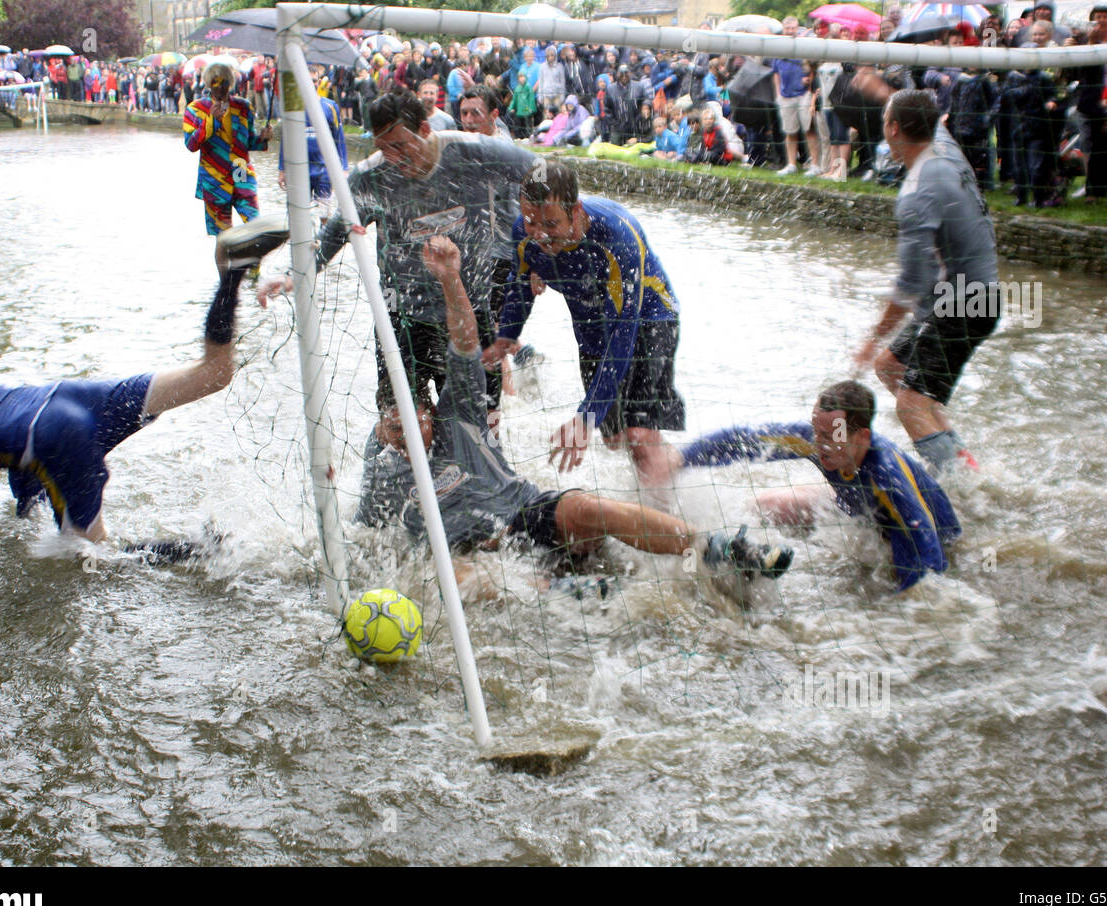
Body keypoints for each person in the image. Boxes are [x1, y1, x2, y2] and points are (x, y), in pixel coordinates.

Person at [358, 235, 793, 589]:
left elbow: (466, 342)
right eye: (394, 426)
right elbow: (365, 533)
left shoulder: (461, 414)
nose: (406, 433)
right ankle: (562, 594)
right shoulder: (380, 468)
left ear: (431, 412)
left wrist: (451, 278)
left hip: (524, 515)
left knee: (587, 507)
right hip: (477, 555)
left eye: (414, 420)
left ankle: (708, 547)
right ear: (381, 425)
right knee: (456, 575)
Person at [0, 222, 290, 550]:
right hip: (84, 398)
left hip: (58, 432)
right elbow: (27, 478)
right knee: (212, 375)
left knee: (95, 556)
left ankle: (206, 550)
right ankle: (232, 273)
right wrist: (27, 512)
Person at [255, 89, 539, 415]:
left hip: (468, 314)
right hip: (402, 319)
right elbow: (334, 232)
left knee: (481, 430)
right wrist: (296, 274)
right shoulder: (369, 177)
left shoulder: (474, 152)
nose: (393, 157)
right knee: (406, 427)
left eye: (400, 145)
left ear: (424, 129)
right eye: (383, 147)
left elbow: (542, 172)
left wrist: (538, 249)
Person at [483, 160, 685, 487]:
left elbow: (624, 335)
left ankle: (665, 527)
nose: (539, 234)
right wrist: (506, 336)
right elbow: (520, 286)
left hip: (648, 319)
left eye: (550, 223)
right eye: (531, 221)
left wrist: (585, 416)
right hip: (591, 326)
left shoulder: (616, 237)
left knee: (637, 435)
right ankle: (677, 464)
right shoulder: (524, 232)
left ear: (575, 211)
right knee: (615, 438)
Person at [674, 381, 960, 592]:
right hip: (857, 507)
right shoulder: (818, 440)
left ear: (862, 437)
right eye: (816, 431)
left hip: (918, 530)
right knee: (767, 505)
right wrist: (682, 458)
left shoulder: (887, 477)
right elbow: (746, 440)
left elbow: (926, 555)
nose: (819, 443)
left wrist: (908, 602)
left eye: (830, 436)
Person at [851, 90, 999, 474]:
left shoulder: (917, 191)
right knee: (890, 369)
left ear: (894, 129)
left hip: (963, 301)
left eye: (885, 120)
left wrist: (872, 338)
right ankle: (963, 462)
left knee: (910, 403)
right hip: (966, 297)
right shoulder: (945, 148)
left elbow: (911, 282)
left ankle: (960, 491)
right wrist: (884, 89)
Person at [183, 62, 272, 247]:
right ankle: (228, 276)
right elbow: (191, 145)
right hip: (214, 180)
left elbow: (247, 142)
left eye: (224, 83)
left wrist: (263, 139)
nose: (220, 88)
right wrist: (211, 121)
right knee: (224, 239)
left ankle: (254, 271)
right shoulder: (195, 109)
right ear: (208, 84)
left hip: (241, 172)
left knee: (256, 226)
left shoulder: (243, 107)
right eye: (215, 83)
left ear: (230, 84)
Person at [277, 89, 347, 202]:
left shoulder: (330, 106)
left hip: (324, 170)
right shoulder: (292, 106)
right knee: (300, 213)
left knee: (324, 212)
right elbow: (285, 139)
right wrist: (282, 168)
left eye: (314, 80)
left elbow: (339, 137)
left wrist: (343, 168)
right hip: (300, 169)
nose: (311, 83)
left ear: (319, 82)